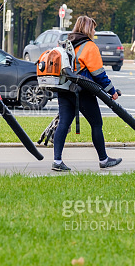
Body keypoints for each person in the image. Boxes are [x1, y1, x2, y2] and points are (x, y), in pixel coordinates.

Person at [52, 16, 122, 172]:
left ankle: (57, 161)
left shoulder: (67, 44)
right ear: (88, 29)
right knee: (97, 124)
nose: (95, 31)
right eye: (93, 28)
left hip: (64, 90)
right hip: (82, 92)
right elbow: (99, 74)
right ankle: (104, 159)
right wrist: (112, 91)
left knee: (63, 123)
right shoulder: (89, 46)